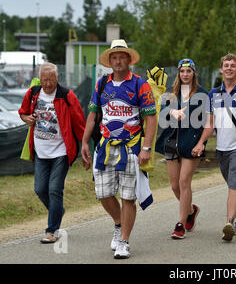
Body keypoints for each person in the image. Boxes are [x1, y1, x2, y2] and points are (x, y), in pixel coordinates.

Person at [81, 39, 157, 259]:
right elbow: (93, 115)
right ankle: (118, 222)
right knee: (103, 193)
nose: (118, 61)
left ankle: (124, 240)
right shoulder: (101, 84)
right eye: (114, 57)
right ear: (110, 61)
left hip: (131, 147)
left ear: (129, 60)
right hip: (105, 147)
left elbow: (150, 118)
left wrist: (147, 148)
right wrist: (85, 142)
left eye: (122, 57)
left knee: (128, 196)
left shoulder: (139, 84)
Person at [18, 62, 86, 243]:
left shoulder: (66, 96)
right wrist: (27, 118)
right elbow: (22, 112)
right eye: (45, 80)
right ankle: (57, 211)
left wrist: (85, 147)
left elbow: (80, 123)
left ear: (57, 78)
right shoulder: (32, 94)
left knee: (55, 189)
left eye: (52, 80)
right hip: (40, 151)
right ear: (40, 79)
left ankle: (52, 230)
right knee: (40, 189)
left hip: (61, 152)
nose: (48, 84)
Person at [192, 53, 236, 242]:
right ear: (221, 69)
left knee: (234, 183)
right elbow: (210, 124)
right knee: (234, 185)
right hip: (221, 148)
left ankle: (229, 222)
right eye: (226, 65)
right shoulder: (213, 94)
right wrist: (201, 142)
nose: (228, 68)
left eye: (232, 65)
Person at [155, 58, 207, 239]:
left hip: (191, 142)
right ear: (178, 73)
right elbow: (161, 112)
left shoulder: (202, 94)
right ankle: (191, 210)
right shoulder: (171, 93)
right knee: (175, 185)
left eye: (189, 71)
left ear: (194, 73)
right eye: (182, 71)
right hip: (172, 141)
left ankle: (180, 224)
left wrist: (201, 143)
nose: (185, 74)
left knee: (185, 183)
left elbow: (208, 123)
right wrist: (172, 112)